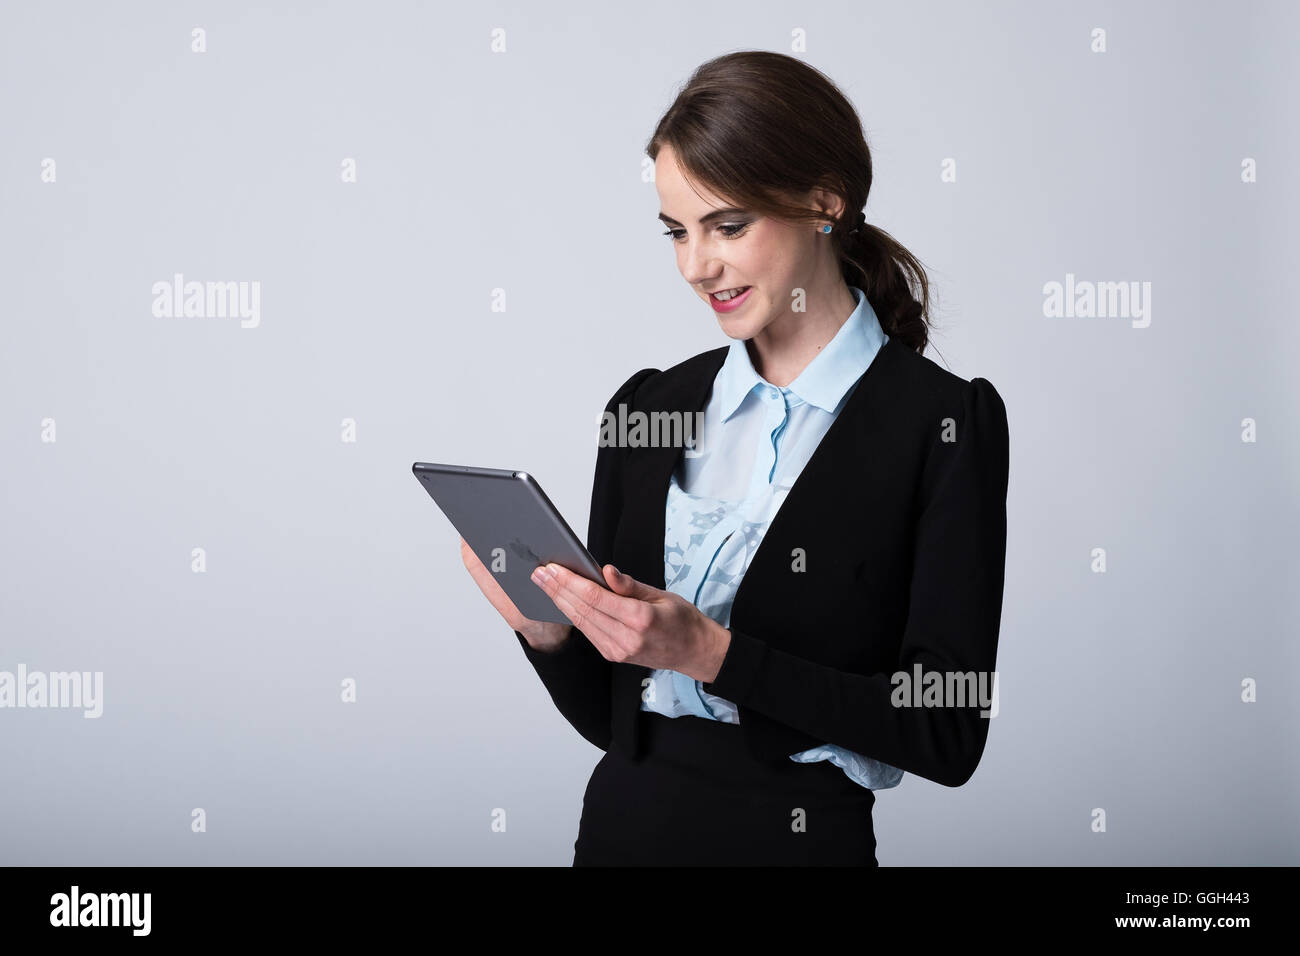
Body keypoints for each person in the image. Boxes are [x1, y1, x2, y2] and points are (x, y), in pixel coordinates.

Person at [460, 50, 1010, 866]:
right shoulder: (647, 409)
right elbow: (609, 720)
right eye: (677, 231)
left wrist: (711, 654)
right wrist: (547, 632)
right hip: (620, 834)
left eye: (727, 226)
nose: (695, 266)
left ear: (825, 201)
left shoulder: (942, 423)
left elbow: (946, 730)